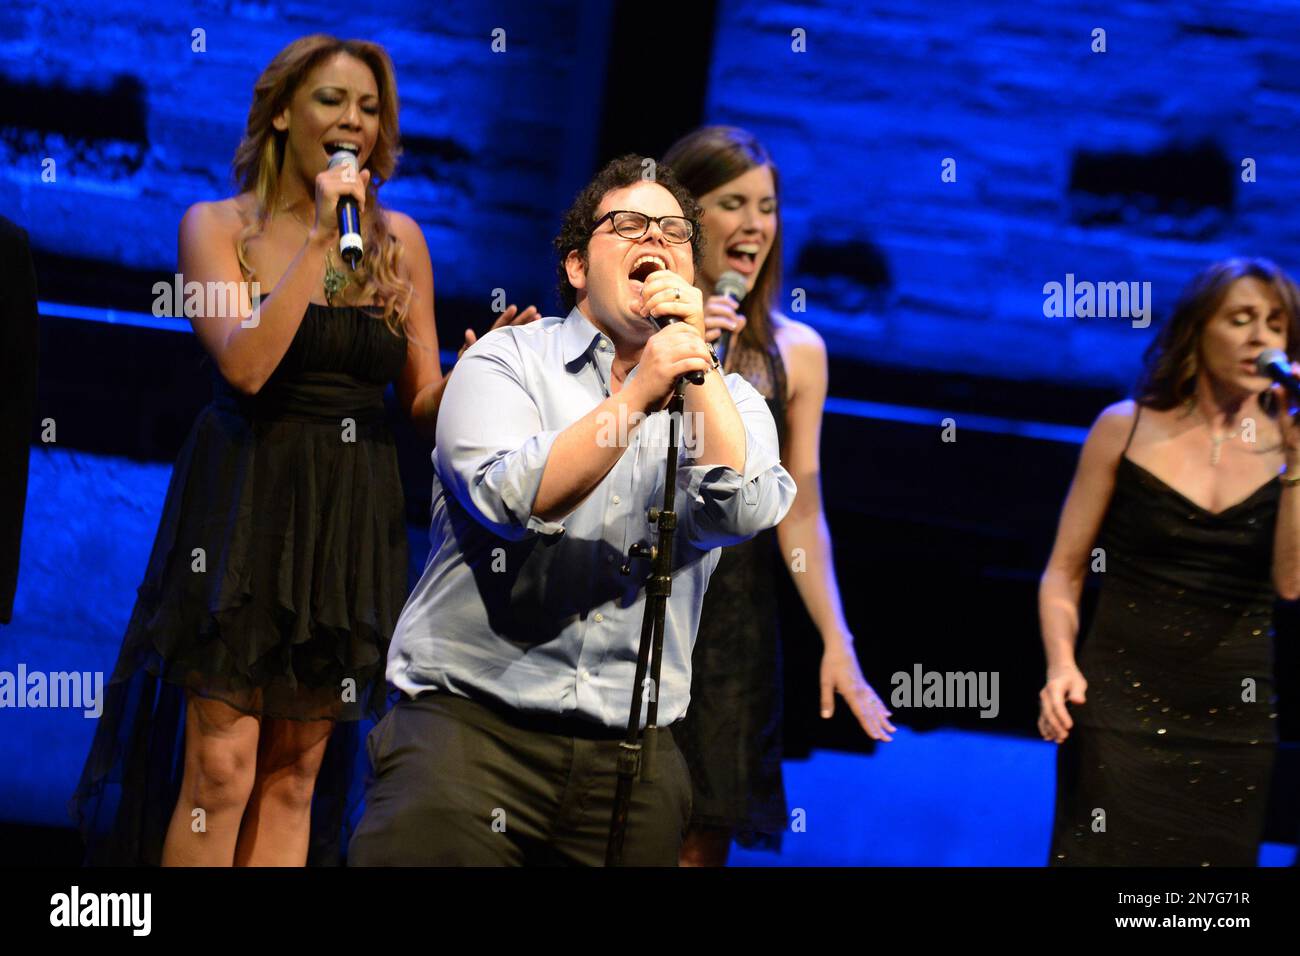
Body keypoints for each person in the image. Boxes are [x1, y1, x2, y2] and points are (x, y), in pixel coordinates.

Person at [347, 154, 797, 866]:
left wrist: (694, 365)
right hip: (469, 736)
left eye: (674, 231)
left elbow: (743, 508)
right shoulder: (505, 364)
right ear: (579, 267)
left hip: (632, 764)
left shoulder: (729, 400)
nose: (655, 238)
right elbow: (508, 498)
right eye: (629, 223)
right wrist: (636, 396)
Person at [70, 34, 443, 866]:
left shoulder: (401, 243)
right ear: (281, 113)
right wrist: (317, 240)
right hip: (241, 510)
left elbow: (422, 400)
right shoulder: (212, 227)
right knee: (221, 769)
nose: (354, 119)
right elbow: (244, 363)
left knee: (293, 777)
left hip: (346, 517)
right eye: (332, 100)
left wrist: (490, 368)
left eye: (370, 107)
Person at [661, 126, 895, 865]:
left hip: (732, 622)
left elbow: (801, 509)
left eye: (768, 206)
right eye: (734, 203)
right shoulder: (635, 329)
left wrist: (839, 644)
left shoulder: (797, 352)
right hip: (633, 594)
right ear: (683, 215)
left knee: (700, 836)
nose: (757, 224)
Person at [1039, 257, 1300, 866]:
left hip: (1232, 722)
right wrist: (1059, 666)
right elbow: (1064, 570)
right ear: (1197, 329)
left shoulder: (1289, 448)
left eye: (1276, 324)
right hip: (1119, 707)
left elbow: (1291, 583)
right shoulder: (1124, 429)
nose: (1260, 338)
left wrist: (1298, 463)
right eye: (1241, 320)